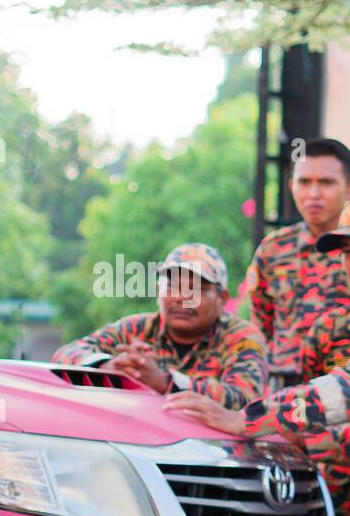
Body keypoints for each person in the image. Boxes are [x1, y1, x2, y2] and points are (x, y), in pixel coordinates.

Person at [167, 203, 350, 444]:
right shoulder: (327, 329)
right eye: (347, 252)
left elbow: (339, 392)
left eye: (197, 287)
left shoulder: (238, 339)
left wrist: (248, 420)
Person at [52, 243, 267, 408]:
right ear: (158, 292)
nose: (182, 298)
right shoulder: (135, 328)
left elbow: (244, 400)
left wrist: (166, 382)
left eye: (196, 289)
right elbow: (66, 354)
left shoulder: (242, 338)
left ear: (222, 298)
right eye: (172, 287)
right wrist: (109, 367)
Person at [245, 137, 350, 390]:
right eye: (304, 182)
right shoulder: (272, 250)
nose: (313, 194)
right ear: (291, 186)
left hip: (341, 388)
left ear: (348, 187)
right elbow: (261, 327)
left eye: (326, 182)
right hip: (284, 389)